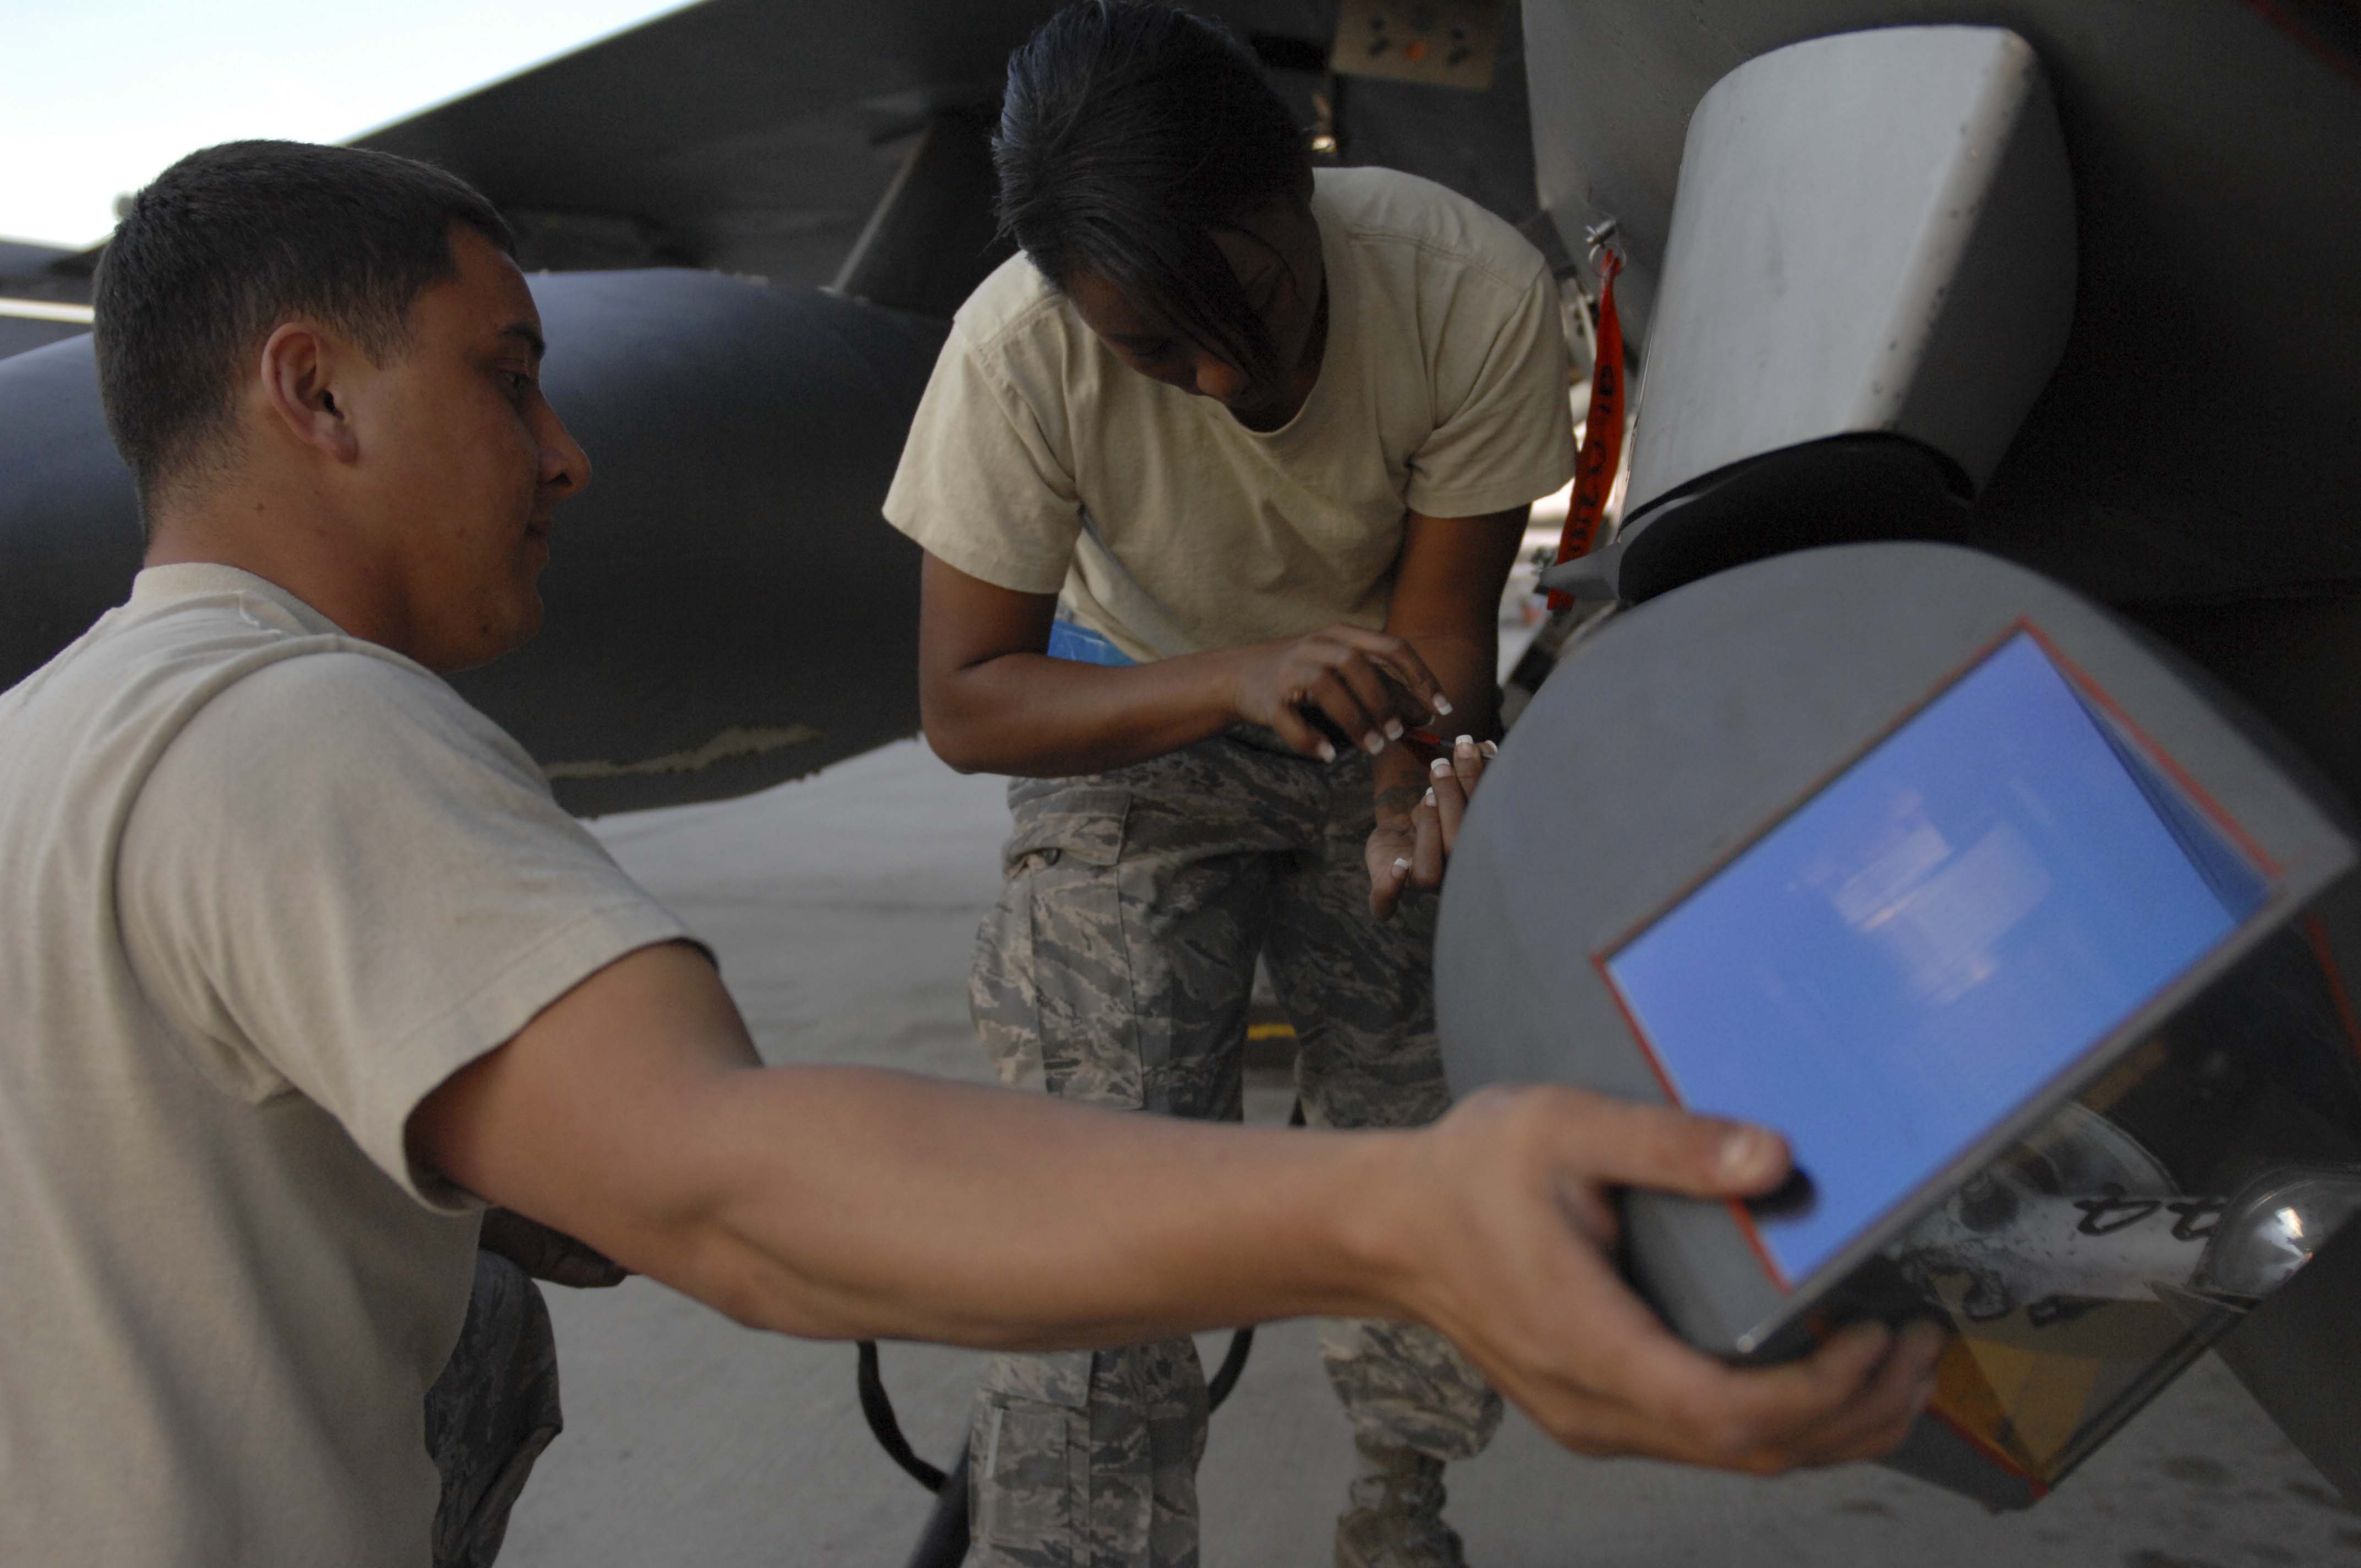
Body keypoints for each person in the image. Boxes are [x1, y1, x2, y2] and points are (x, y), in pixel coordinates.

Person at [0, 138, 1940, 1567]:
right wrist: (1409, 1217)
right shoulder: (305, 732)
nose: (567, 451)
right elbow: (738, 1198)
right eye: (508, 376)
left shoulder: (52, 741)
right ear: (314, 393)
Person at [880, 6, 1618, 1562]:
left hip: (1369, 733)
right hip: (1124, 746)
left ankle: (1402, 1500)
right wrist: (1229, 678)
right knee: (1100, 1199)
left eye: (1250, 303)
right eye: (1153, 345)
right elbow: (964, 701)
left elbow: (1440, 629)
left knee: (1419, 1124)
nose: (1218, 372)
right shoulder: (1016, 356)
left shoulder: (1466, 290)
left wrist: (1420, 798)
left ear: (1305, 181)